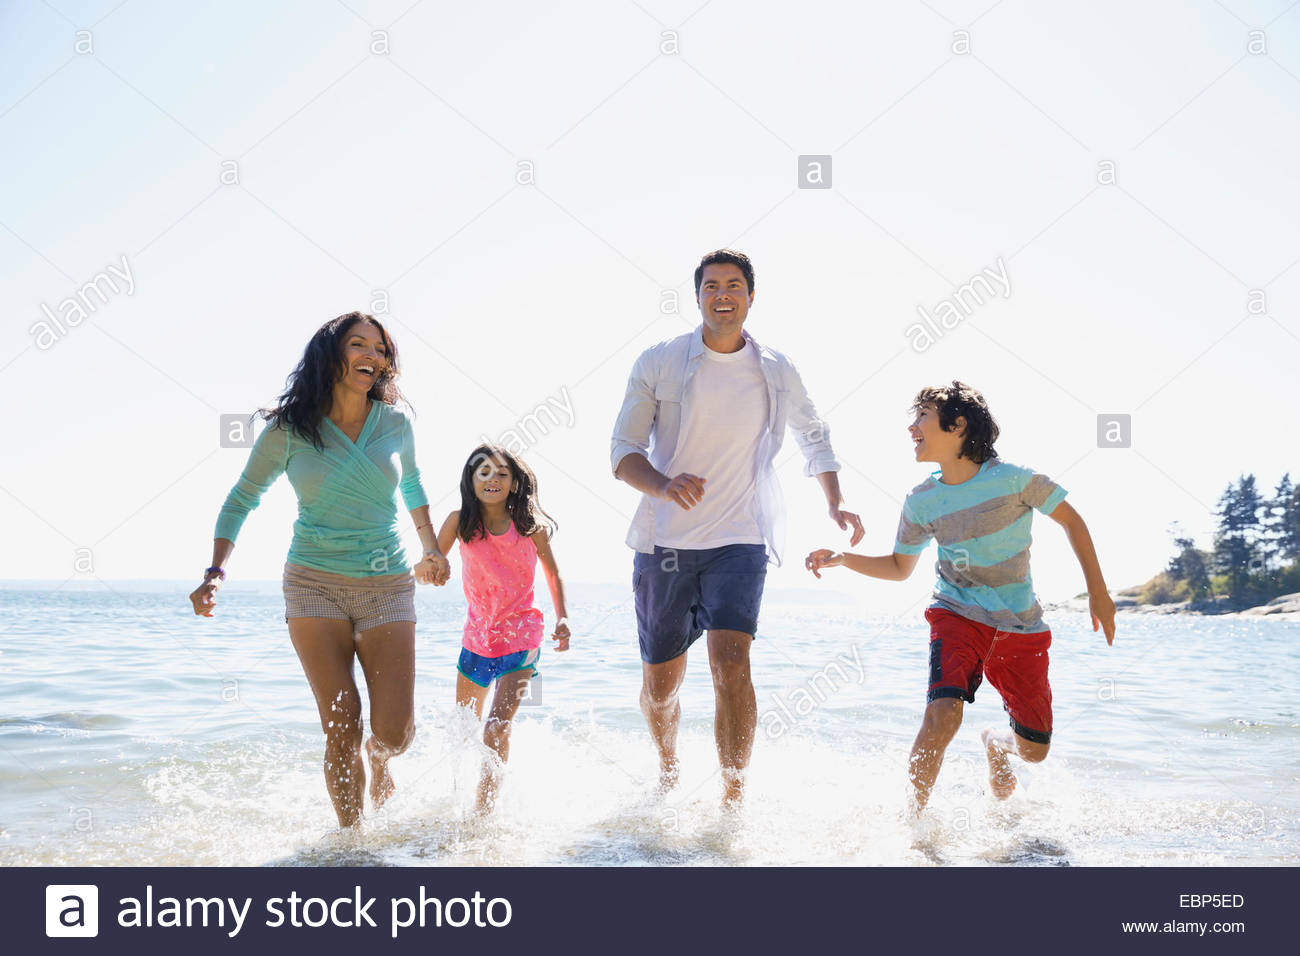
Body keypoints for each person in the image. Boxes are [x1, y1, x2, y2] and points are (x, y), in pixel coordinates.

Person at [610, 248, 863, 807]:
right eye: (710, 286)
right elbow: (623, 451)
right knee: (661, 687)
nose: (722, 294)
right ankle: (669, 765)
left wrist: (835, 503)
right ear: (697, 296)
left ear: (751, 295)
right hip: (666, 544)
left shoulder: (775, 368)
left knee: (731, 662)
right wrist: (663, 484)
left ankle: (733, 799)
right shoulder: (660, 361)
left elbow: (813, 435)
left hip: (740, 539)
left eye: (733, 285)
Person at [188, 312, 451, 829]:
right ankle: (352, 847)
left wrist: (431, 550)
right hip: (313, 585)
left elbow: (414, 486)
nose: (372, 357)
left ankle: (380, 760)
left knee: (395, 733)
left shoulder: (395, 425)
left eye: (381, 349)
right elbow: (242, 497)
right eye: (359, 345)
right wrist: (215, 571)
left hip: (386, 585)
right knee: (340, 722)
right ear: (331, 356)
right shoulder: (288, 431)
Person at [806, 381, 1116, 814]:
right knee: (944, 714)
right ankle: (911, 825)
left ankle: (995, 742)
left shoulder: (1015, 480)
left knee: (1034, 751)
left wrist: (1099, 595)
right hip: (956, 614)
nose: (912, 427)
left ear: (957, 425)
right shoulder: (921, 502)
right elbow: (899, 568)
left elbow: (1073, 521)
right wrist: (844, 558)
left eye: (922, 418)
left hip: (1019, 625)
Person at [434, 444, 570, 812]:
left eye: (502, 473)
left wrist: (562, 617)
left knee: (495, 726)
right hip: (477, 637)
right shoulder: (459, 522)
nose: (493, 478)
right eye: (484, 472)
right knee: (464, 729)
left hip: (523, 637)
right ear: (471, 480)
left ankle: (484, 813)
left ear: (513, 483)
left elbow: (553, 573)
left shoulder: (529, 527)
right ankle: (455, 802)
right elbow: (431, 565)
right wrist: (430, 571)